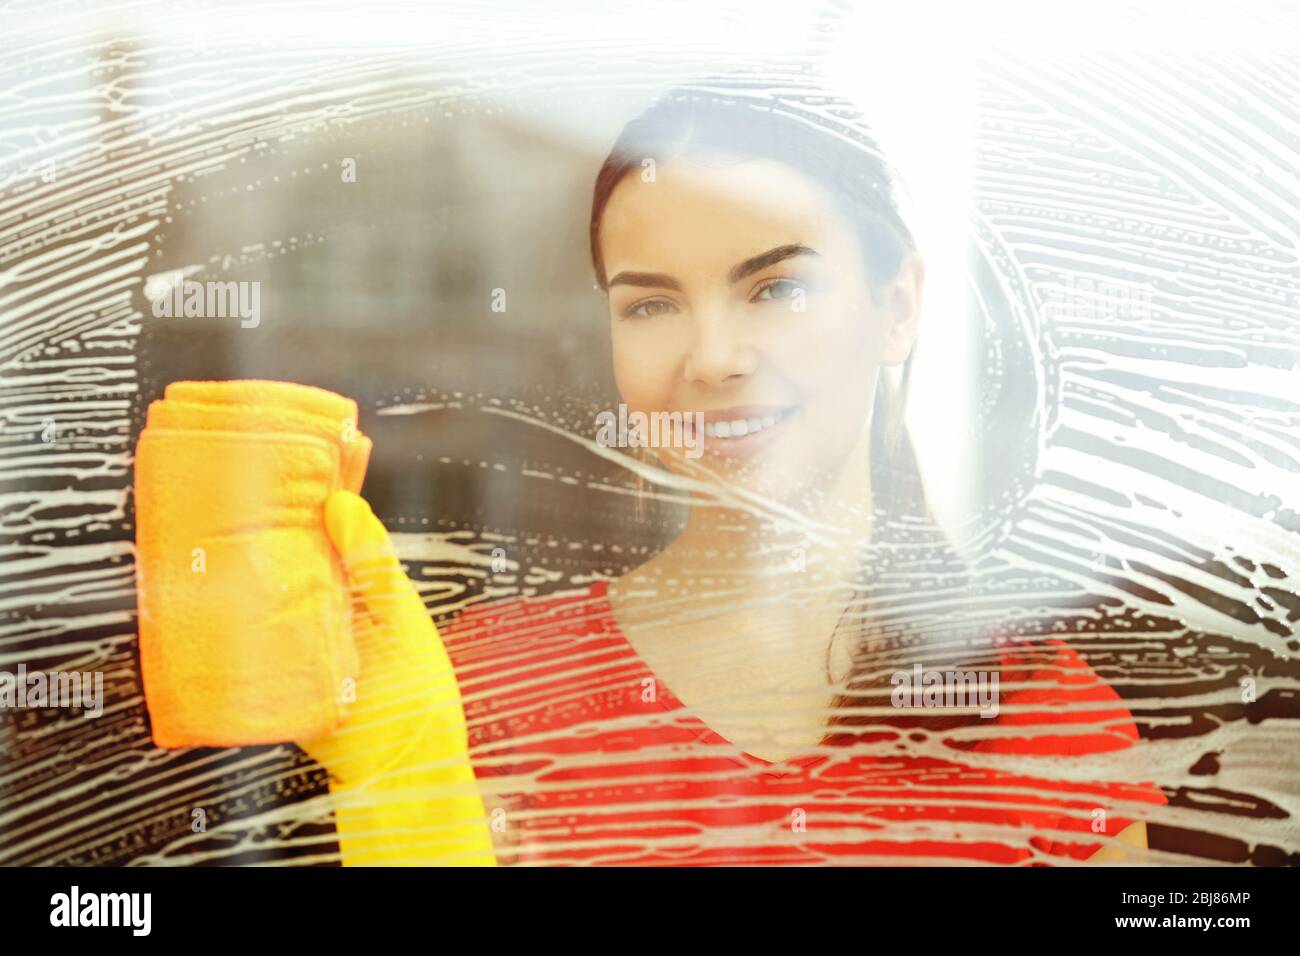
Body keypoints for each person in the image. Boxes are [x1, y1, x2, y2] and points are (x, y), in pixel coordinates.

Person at [303, 76, 1167, 865]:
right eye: (650, 304)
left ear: (896, 308)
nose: (713, 357)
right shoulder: (473, 690)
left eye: (777, 288)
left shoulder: (1047, 727)